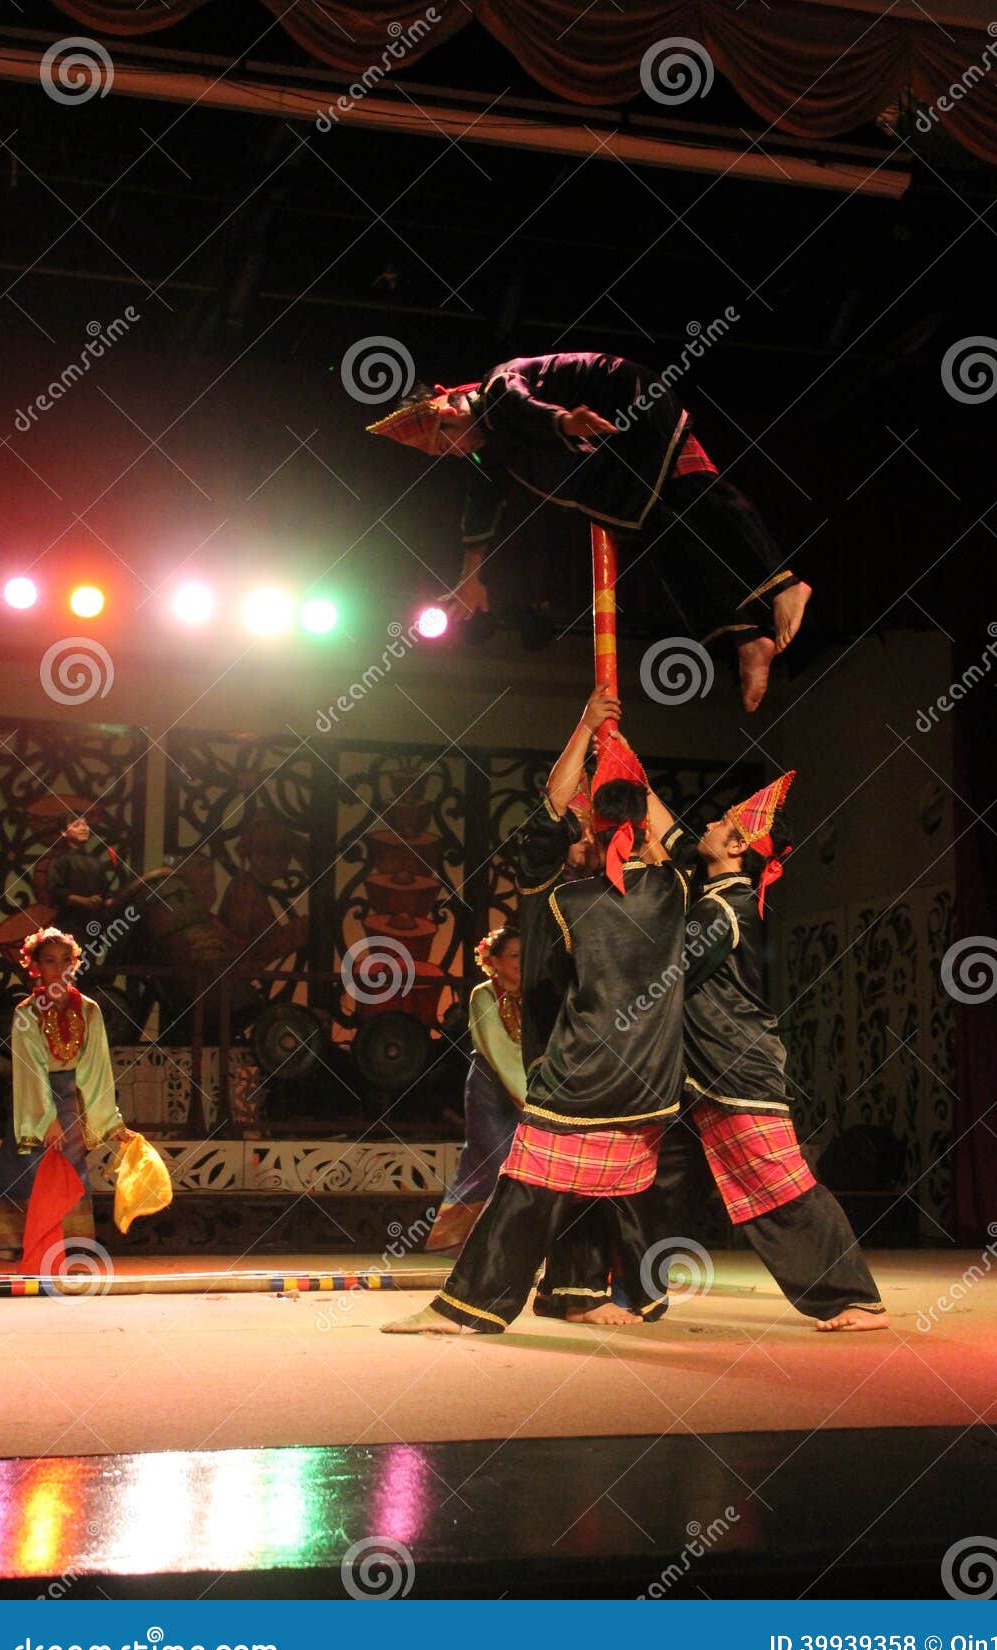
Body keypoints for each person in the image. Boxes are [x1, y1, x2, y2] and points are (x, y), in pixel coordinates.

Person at [384, 733, 691, 1335]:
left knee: (527, 1185)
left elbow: (544, 831)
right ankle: (577, 1292)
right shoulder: (674, 889)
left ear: (594, 834)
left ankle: (464, 1307)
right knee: (594, 1185)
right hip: (650, 1079)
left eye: (585, 829)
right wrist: (624, 760)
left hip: (583, 1073)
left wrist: (588, 730)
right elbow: (671, 836)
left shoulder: (567, 904)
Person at [367, 352, 812, 711]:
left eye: (444, 445)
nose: (454, 454)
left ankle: (784, 584)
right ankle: (745, 637)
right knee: (663, 538)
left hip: (626, 403)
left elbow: (522, 405)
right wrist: (470, 578)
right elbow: (482, 501)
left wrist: (563, 422)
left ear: (448, 412)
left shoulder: (497, 387)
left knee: (696, 489)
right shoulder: (492, 448)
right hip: (604, 448)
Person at [663, 772, 890, 1332]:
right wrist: (611, 747)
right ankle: (621, 1288)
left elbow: (669, 979)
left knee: (780, 1183)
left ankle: (853, 1296)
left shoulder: (724, 910)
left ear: (738, 846)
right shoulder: (713, 895)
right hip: (699, 1068)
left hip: (734, 1066)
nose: (707, 824)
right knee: (650, 1178)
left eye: (722, 822)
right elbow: (670, 837)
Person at [0, 928, 129, 1268]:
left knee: (70, 1163)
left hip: (71, 1098)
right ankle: (13, 1238)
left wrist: (108, 1119)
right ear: (35, 967)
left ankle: (69, 1240)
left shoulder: (89, 1010)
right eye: (50, 961)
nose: (59, 969)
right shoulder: (27, 1013)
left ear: (74, 964)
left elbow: (96, 1068)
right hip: (33, 1098)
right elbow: (30, 1068)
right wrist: (46, 1118)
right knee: (25, 1162)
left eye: (66, 961)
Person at [427, 926, 525, 1253]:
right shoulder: (483, 994)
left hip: (526, 1085)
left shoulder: (536, 994)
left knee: (521, 1165)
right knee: (493, 1160)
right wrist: (527, 1095)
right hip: (490, 1088)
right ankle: (459, 1240)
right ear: (493, 960)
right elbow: (498, 1048)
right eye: (514, 955)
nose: (521, 962)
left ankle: (501, 1243)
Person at [45, 815, 121, 947]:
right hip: (69, 926)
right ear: (63, 832)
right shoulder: (60, 860)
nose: (83, 828)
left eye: (85, 824)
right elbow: (55, 892)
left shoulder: (95, 861)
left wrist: (110, 902)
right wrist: (85, 901)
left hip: (93, 927)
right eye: (76, 825)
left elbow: (106, 893)